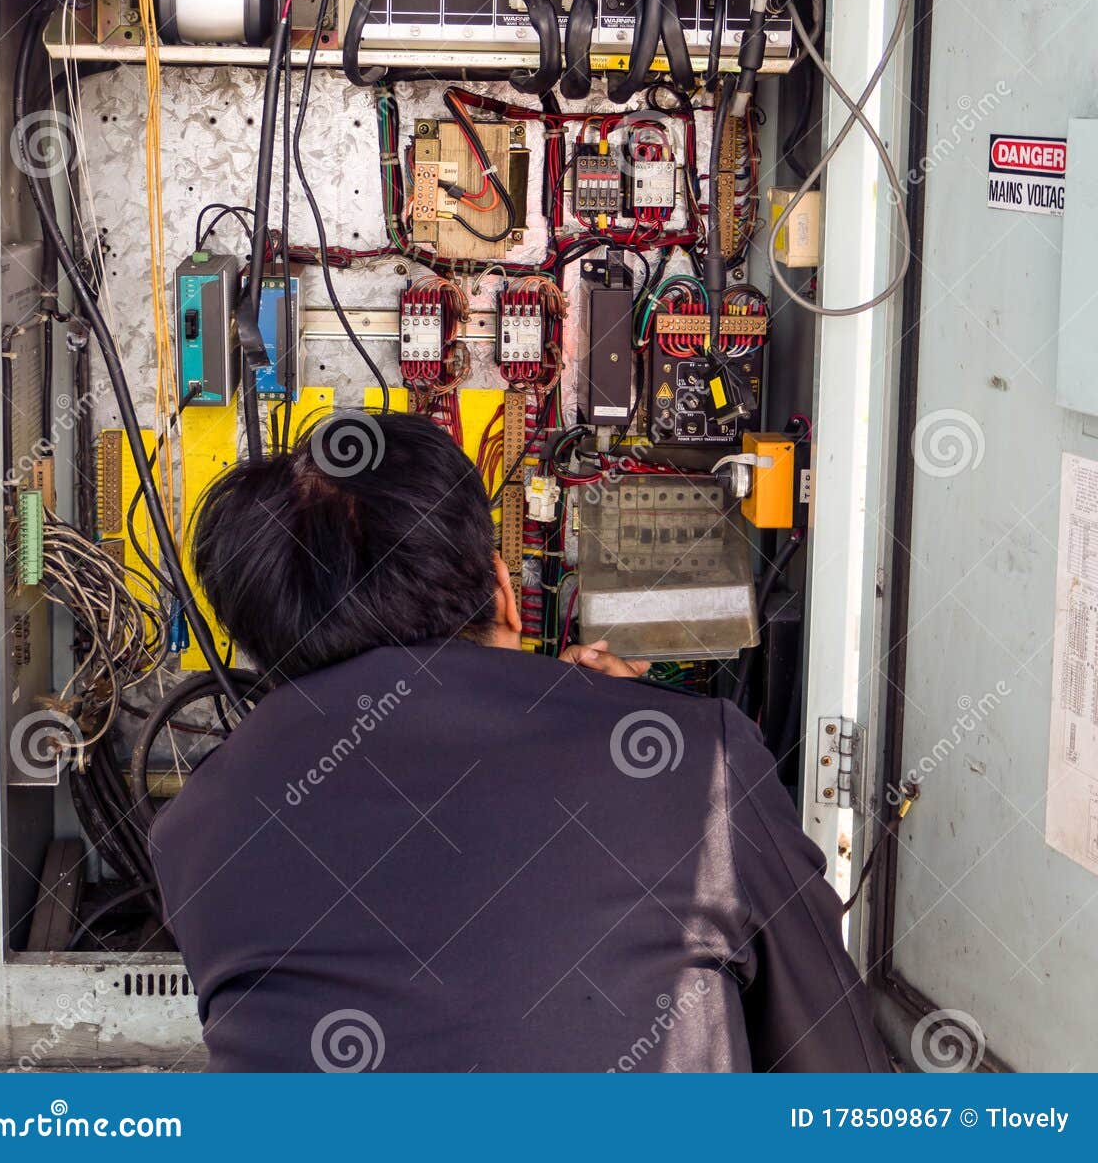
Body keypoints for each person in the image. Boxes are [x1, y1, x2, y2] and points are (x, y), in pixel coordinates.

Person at [150, 411, 890, 1073]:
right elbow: (840, 1072)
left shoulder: (199, 825)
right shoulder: (700, 767)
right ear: (505, 591)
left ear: (258, 644)